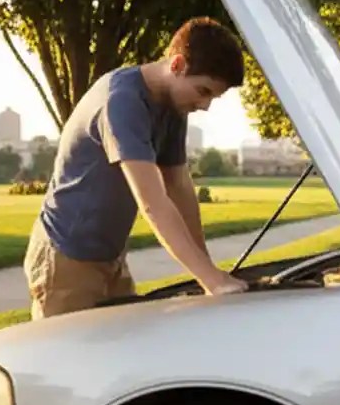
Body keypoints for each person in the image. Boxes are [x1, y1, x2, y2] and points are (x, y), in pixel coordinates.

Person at [23, 16, 249, 320]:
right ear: (177, 65)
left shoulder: (173, 107)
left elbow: (179, 187)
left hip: (111, 258)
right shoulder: (123, 101)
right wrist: (212, 281)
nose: (205, 105)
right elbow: (153, 202)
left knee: (125, 357)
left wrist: (207, 271)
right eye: (204, 91)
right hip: (66, 259)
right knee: (67, 363)